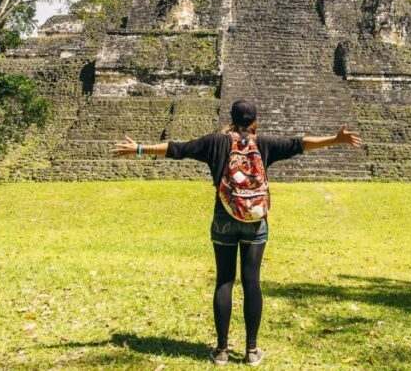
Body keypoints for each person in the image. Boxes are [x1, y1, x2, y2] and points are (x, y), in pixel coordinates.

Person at [111, 99, 362, 366]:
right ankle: (251, 351)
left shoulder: (215, 142)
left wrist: (138, 148)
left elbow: (177, 149)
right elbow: (300, 144)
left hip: (224, 217)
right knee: (252, 282)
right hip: (255, 219)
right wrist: (336, 139)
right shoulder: (263, 144)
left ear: (230, 118)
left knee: (224, 281)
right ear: (255, 120)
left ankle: (221, 350)